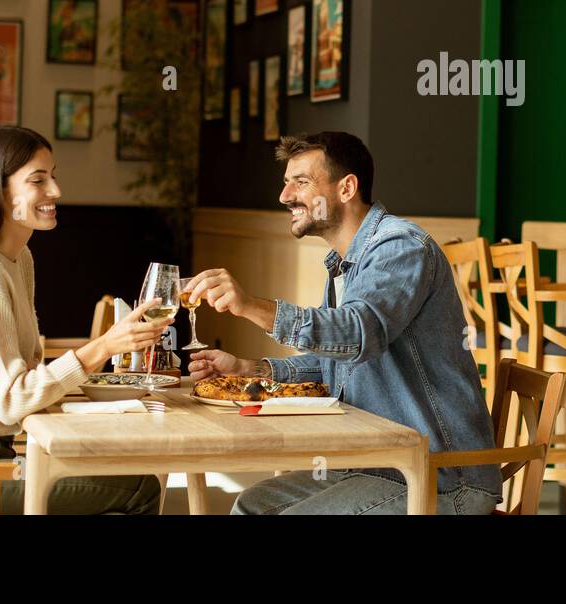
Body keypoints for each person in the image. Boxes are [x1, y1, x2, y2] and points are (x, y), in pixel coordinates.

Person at [188, 131, 501, 515]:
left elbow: (356, 335)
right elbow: (335, 361)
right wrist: (250, 369)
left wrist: (251, 306)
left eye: (301, 182)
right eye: (286, 183)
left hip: (441, 477)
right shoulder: (344, 263)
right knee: (252, 505)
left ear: (347, 188)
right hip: (377, 466)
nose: (285, 196)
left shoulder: (401, 248)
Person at [0, 126, 172, 514]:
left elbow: (26, 376)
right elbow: (13, 399)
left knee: (124, 474)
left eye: (52, 176)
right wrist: (104, 345)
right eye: (37, 180)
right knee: (137, 488)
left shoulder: (17, 260)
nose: (55, 191)